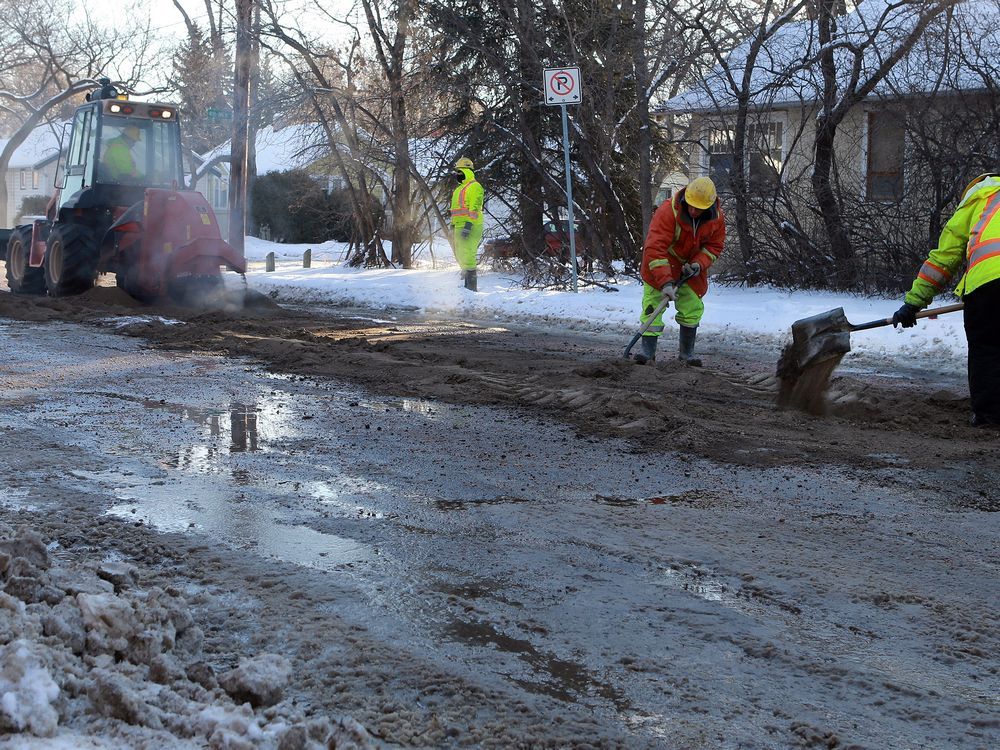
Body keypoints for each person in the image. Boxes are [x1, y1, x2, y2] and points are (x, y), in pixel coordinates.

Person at [892, 172, 1000, 427]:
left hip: (988, 285)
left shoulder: (980, 198)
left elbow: (944, 259)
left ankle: (989, 418)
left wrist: (913, 303)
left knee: (987, 349)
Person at [634, 176, 725, 366]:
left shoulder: (716, 219)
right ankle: (647, 354)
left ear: (709, 206)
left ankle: (687, 355)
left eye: (698, 209)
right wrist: (665, 282)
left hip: (690, 270)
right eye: (691, 206)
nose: (693, 211)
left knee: (692, 308)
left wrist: (698, 264)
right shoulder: (668, 211)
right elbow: (655, 248)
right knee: (652, 307)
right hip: (660, 265)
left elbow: (714, 246)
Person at [450, 157, 484, 291]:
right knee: (460, 254)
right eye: (457, 172)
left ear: (466, 171)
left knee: (468, 254)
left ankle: (471, 287)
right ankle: (467, 287)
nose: (457, 175)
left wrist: (469, 225)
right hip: (459, 226)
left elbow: (475, 208)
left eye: (460, 172)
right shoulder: (459, 189)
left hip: (471, 225)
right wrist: (453, 225)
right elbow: (456, 210)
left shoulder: (475, 187)